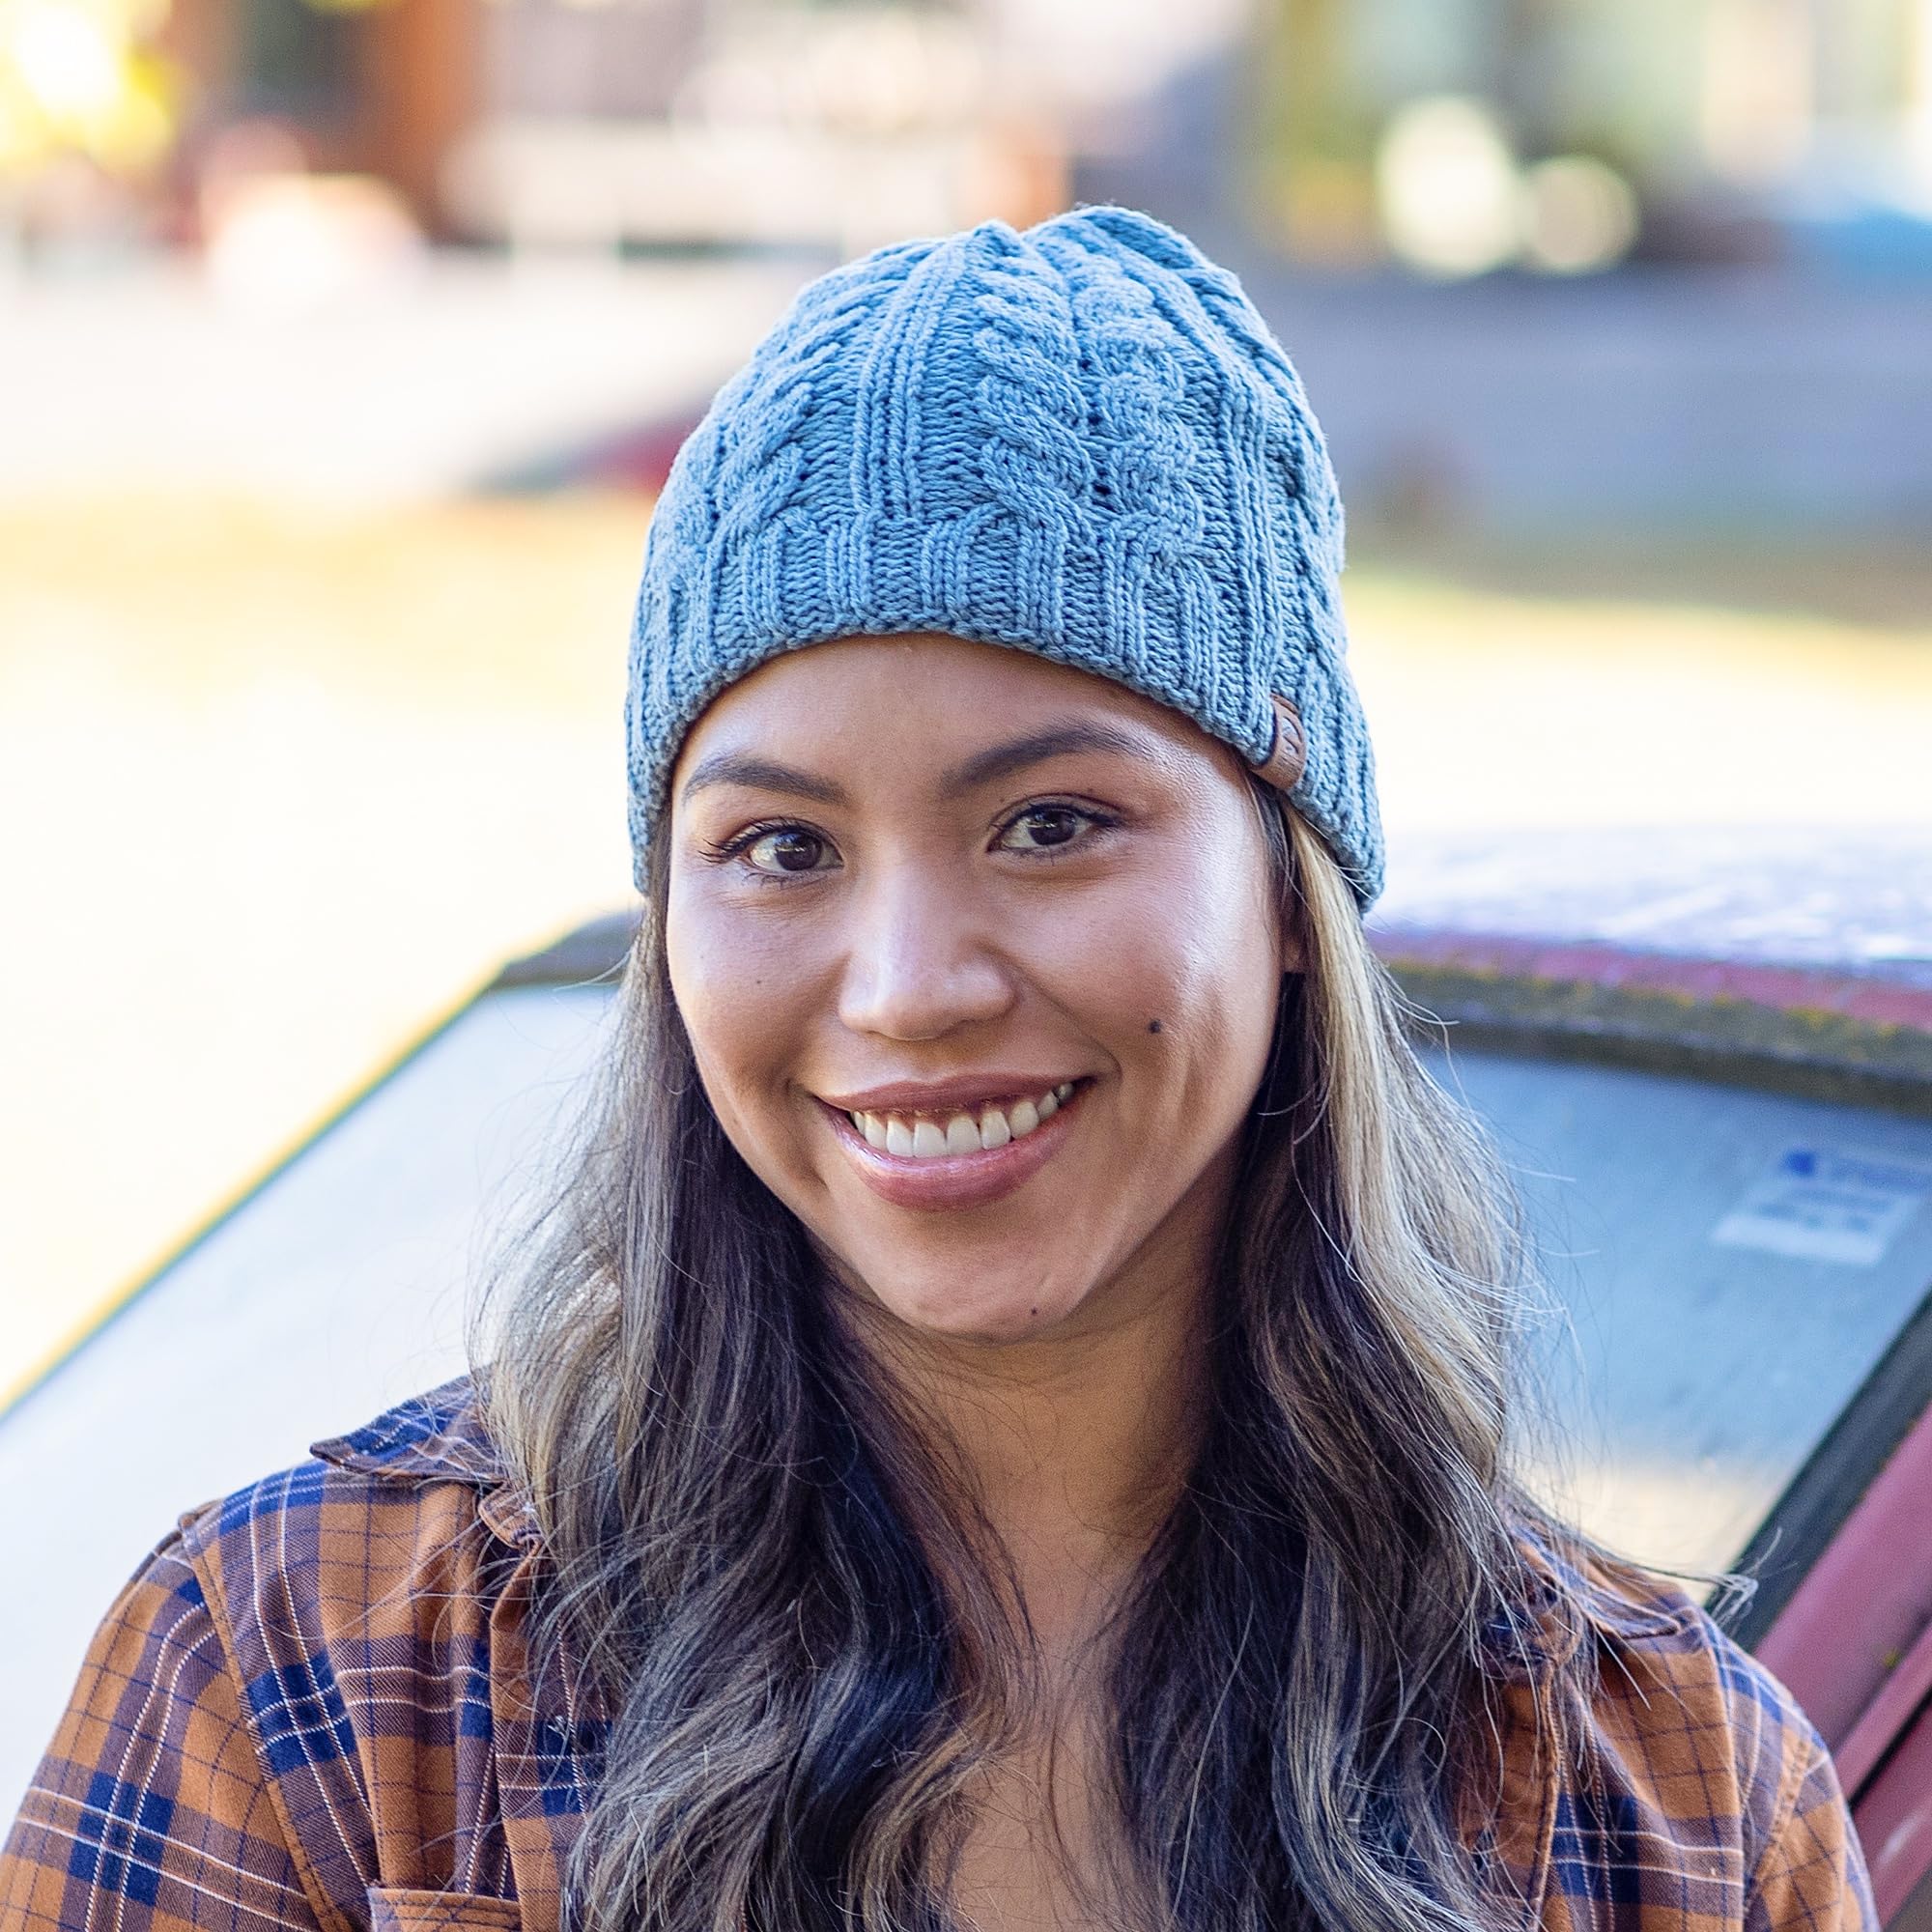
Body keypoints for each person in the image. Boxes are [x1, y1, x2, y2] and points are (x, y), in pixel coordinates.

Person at [1, 206, 1875, 1932]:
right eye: (781, 848)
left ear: (1287, 882)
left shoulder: (1669, 1806)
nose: (904, 990)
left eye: (1051, 823)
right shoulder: (304, 1692)